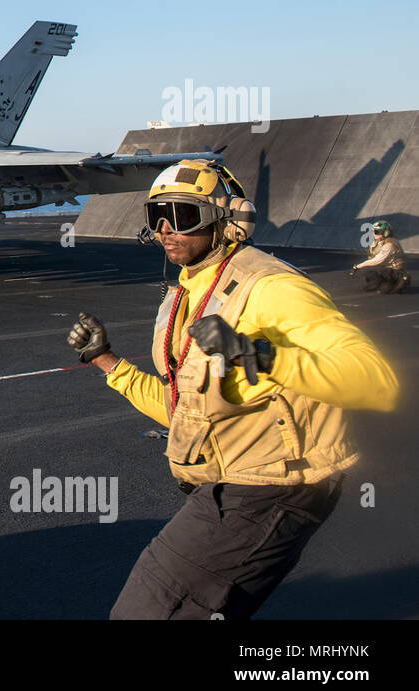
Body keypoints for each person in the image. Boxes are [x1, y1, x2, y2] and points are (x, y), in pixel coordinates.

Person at [66, 159, 399, 619]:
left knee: (146, 610)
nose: (166, 229)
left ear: (228, 219)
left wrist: (259, 354)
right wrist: (107, 362)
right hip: (229, 483)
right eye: (156, 216)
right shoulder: (189, 289)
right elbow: (187, 410)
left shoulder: (271, 286)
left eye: (182, 215)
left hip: (277, 486)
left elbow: (377, 380)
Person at [351, 220, 408, 294]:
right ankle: (387, 282)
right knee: (384, 289)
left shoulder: (389, 244)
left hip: (393, 269)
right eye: (373, 231)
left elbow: (377, 260)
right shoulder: (377, 242)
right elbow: (372, 257)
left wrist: (358, 266)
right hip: (385, 268)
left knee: (365, 269)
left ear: (386, 233)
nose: (374, 234)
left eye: (377, 232)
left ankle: (402, 277)